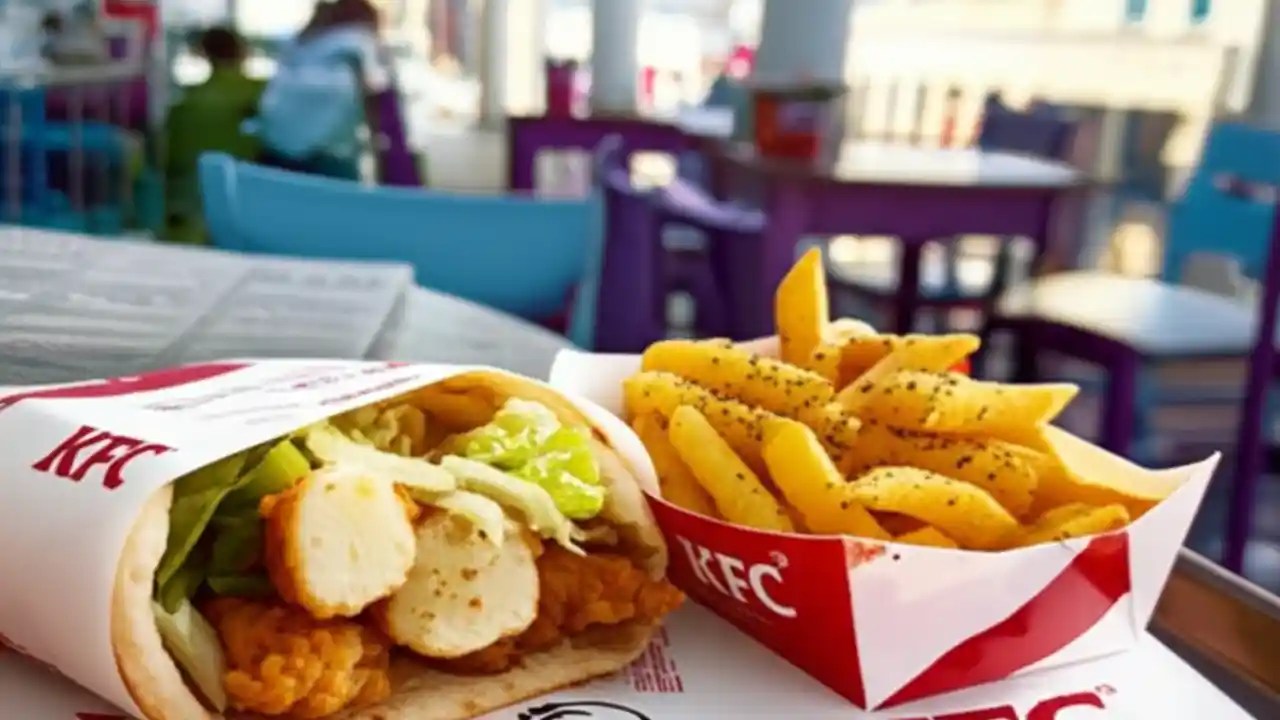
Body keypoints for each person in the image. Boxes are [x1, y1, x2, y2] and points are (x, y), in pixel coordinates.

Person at [255, 0, 388, 182]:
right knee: (336, 207)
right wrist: (383, 150)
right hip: (329, 154)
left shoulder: (300, 43)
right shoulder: (359, 42)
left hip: (277, 147)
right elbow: (375, 95)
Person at [164, 27, 266, 243]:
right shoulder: (260, 93)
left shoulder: (183, 103)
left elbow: (171, 158)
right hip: (241, 194)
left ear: (203, 53)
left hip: (186, 200)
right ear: (243, 51)